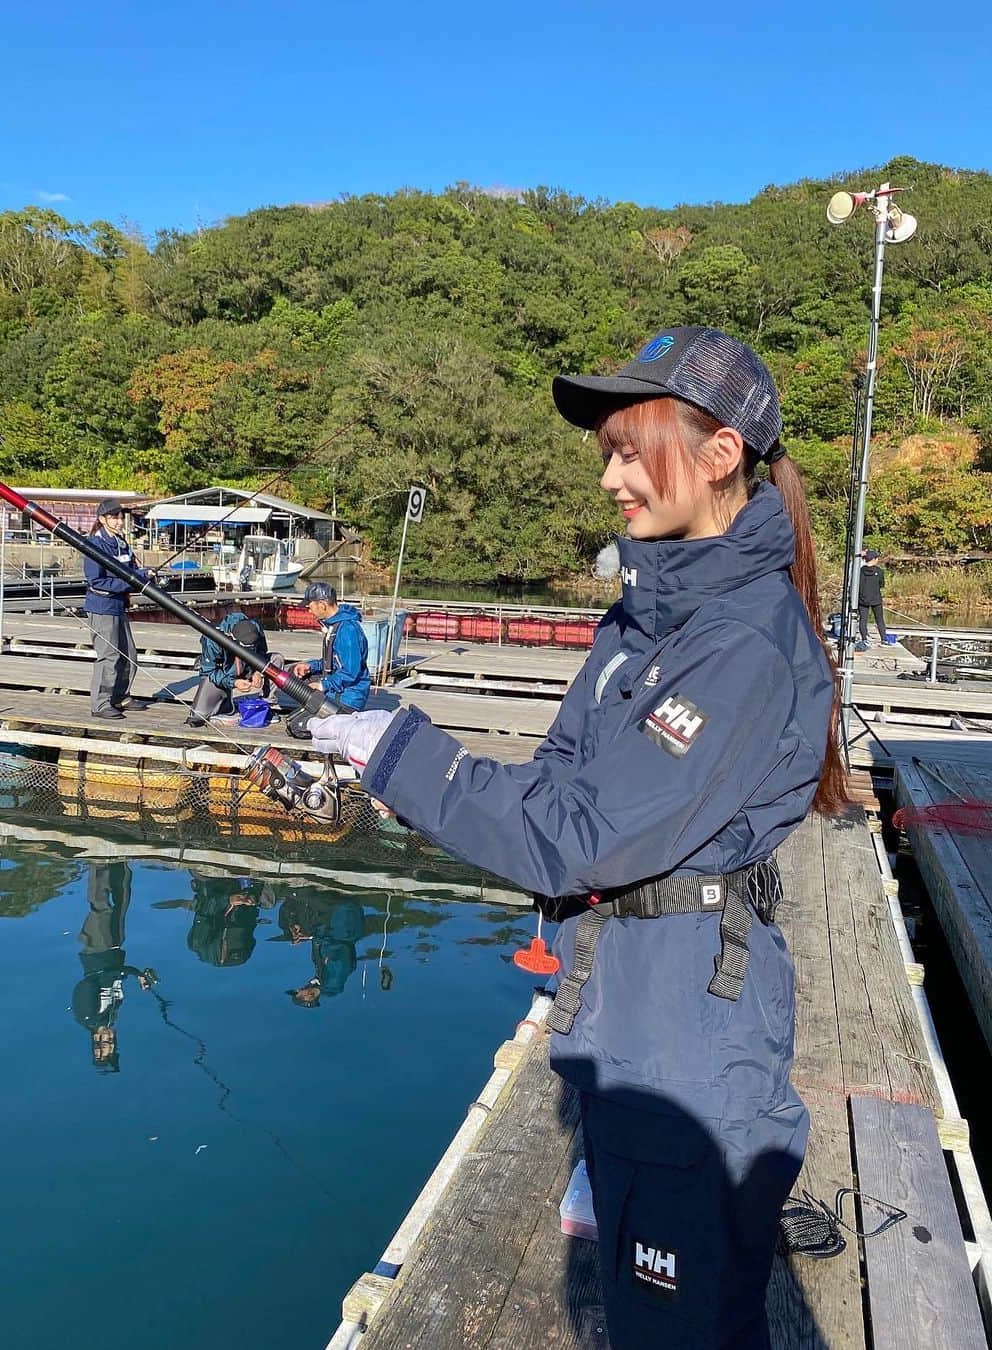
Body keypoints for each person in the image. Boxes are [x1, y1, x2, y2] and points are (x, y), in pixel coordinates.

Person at [307, 326, 847, 1347]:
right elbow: (561, 783)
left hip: (687, 1022)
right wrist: (423, 790)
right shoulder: (637, 621)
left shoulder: (739, 641)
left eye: (629, 449)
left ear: (720, 452)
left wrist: (408, 758)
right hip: (617, 1001)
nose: (609, 477)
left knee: (682, 1323)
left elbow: (583, 834)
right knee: (645, 1304)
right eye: (606, 451)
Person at [70, 862, 156, 1072]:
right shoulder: (111, 1015)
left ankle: (99, 861)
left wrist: (135, 974)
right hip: (115, 951)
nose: (107, 1039)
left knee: (101, 905)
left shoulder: (87, 1016)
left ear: (95, 1040)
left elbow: (91, 982)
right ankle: (121, 864)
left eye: (101, 1042)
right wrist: (141, 977)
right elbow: (115, 980)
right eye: (110, 1042)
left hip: (97, 950)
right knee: (122, 902)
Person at [84, 499, 152, 720]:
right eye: (114, 517)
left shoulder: (121, 542)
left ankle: (120, 696)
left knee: (129, 654)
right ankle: (101, 703)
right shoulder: (95, 544)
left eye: (121, 517)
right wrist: (132, 582)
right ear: (102, 519)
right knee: (109, 656)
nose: (119, 521)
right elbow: (97, 582)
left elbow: (131, 569)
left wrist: (144, 574)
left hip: (119, 606)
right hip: (102, 607)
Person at [186, 610, 281, 727]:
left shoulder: (256, 626)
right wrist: (234, 682)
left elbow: (262, 652)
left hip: (248, 666)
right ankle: (223, 705)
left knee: (276, 659)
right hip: (224, 671)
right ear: (232, 637)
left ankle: (266, 705)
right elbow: (209, 671)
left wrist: (258, 671)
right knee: (198, 716)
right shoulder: (212, 638)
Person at [289, 582, 370, 711]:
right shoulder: (333, 625)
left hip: (348, 696)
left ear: (322, 605)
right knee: (293, 673)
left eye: (310, 606)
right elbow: (333, 663)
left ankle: (327, 712)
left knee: (298, 728)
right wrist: (310, 666)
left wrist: (322, 685)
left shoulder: (348, 631)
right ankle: (312, 708)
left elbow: (350, 673)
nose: (309, 611)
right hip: (336, 686)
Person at [856, 547, 888, 650]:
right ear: (873, 559)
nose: (878, 560)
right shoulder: (879, 571)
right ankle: (884, 639)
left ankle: (864, 638)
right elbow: (881, 584)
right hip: (876, 599)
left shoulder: (859, 571)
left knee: (863, 619)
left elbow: (857, 585)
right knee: (879, 619)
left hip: (862, 599)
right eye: (877, 558)